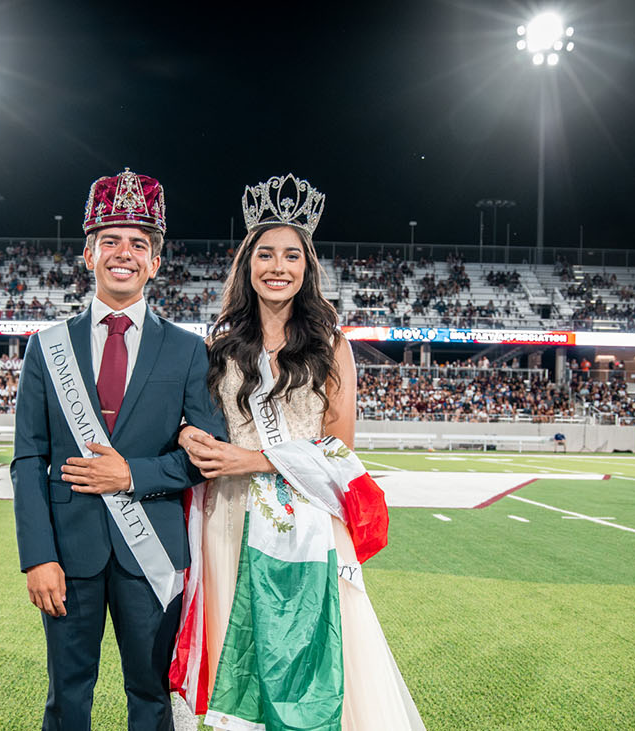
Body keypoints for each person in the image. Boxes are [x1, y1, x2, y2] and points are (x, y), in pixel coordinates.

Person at [172, 174, 424, 730]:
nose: (277, 267)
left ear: (308, 268)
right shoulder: (219, 343)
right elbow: (198, 421)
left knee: (309, 658)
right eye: (264, 254)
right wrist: (190, 435)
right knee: (236, 653)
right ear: (247, 264)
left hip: (305, 521)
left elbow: (340, 448)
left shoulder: (332, 344)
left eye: (291, 255)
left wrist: (254, 460)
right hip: (227, 520)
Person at [11, 169, 227, 730]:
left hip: (151, 550)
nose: (123, 253)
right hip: (67, 554)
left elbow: (208, 455)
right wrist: (37, 556)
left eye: (138, 243)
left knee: (152, 698)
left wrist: (131, 474)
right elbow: (29, 460)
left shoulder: (186, 350)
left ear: (156, 262)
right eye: (110, 240)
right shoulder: (45, 348)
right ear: (89, 254)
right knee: (67, 697)